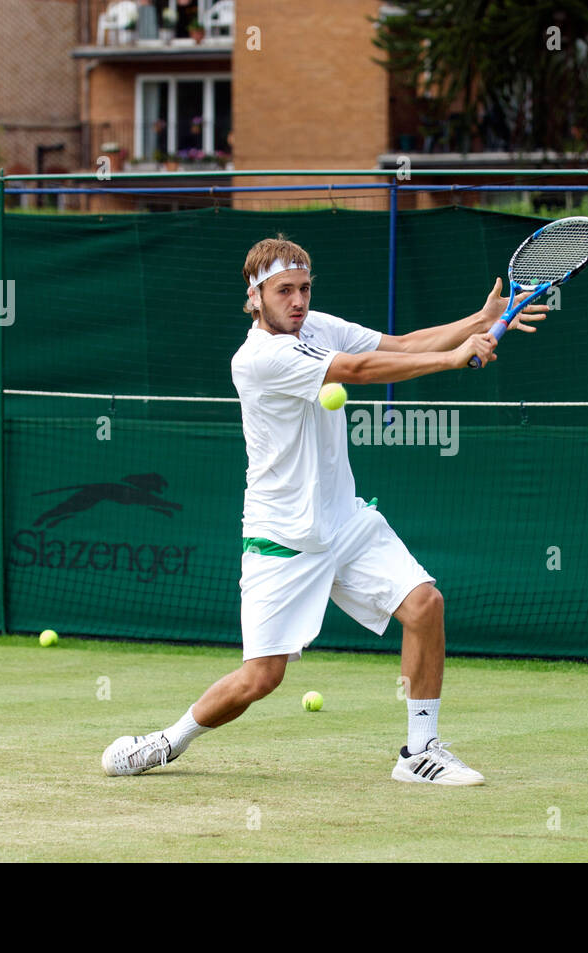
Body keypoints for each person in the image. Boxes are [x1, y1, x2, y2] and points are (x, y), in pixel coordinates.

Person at [102, 235, 545, 785]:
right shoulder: (259, 358)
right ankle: (167, 742)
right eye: (283, 290)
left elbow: (402, 344)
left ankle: (420, 752)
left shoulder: (316, 327)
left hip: (346, 522)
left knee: (425, 604)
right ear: (255, 295)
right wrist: (455, 357)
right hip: (283, 537)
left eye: (304, 288)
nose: (297, 300)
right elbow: (358, 371)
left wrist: (477, 318)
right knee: (262, 677)